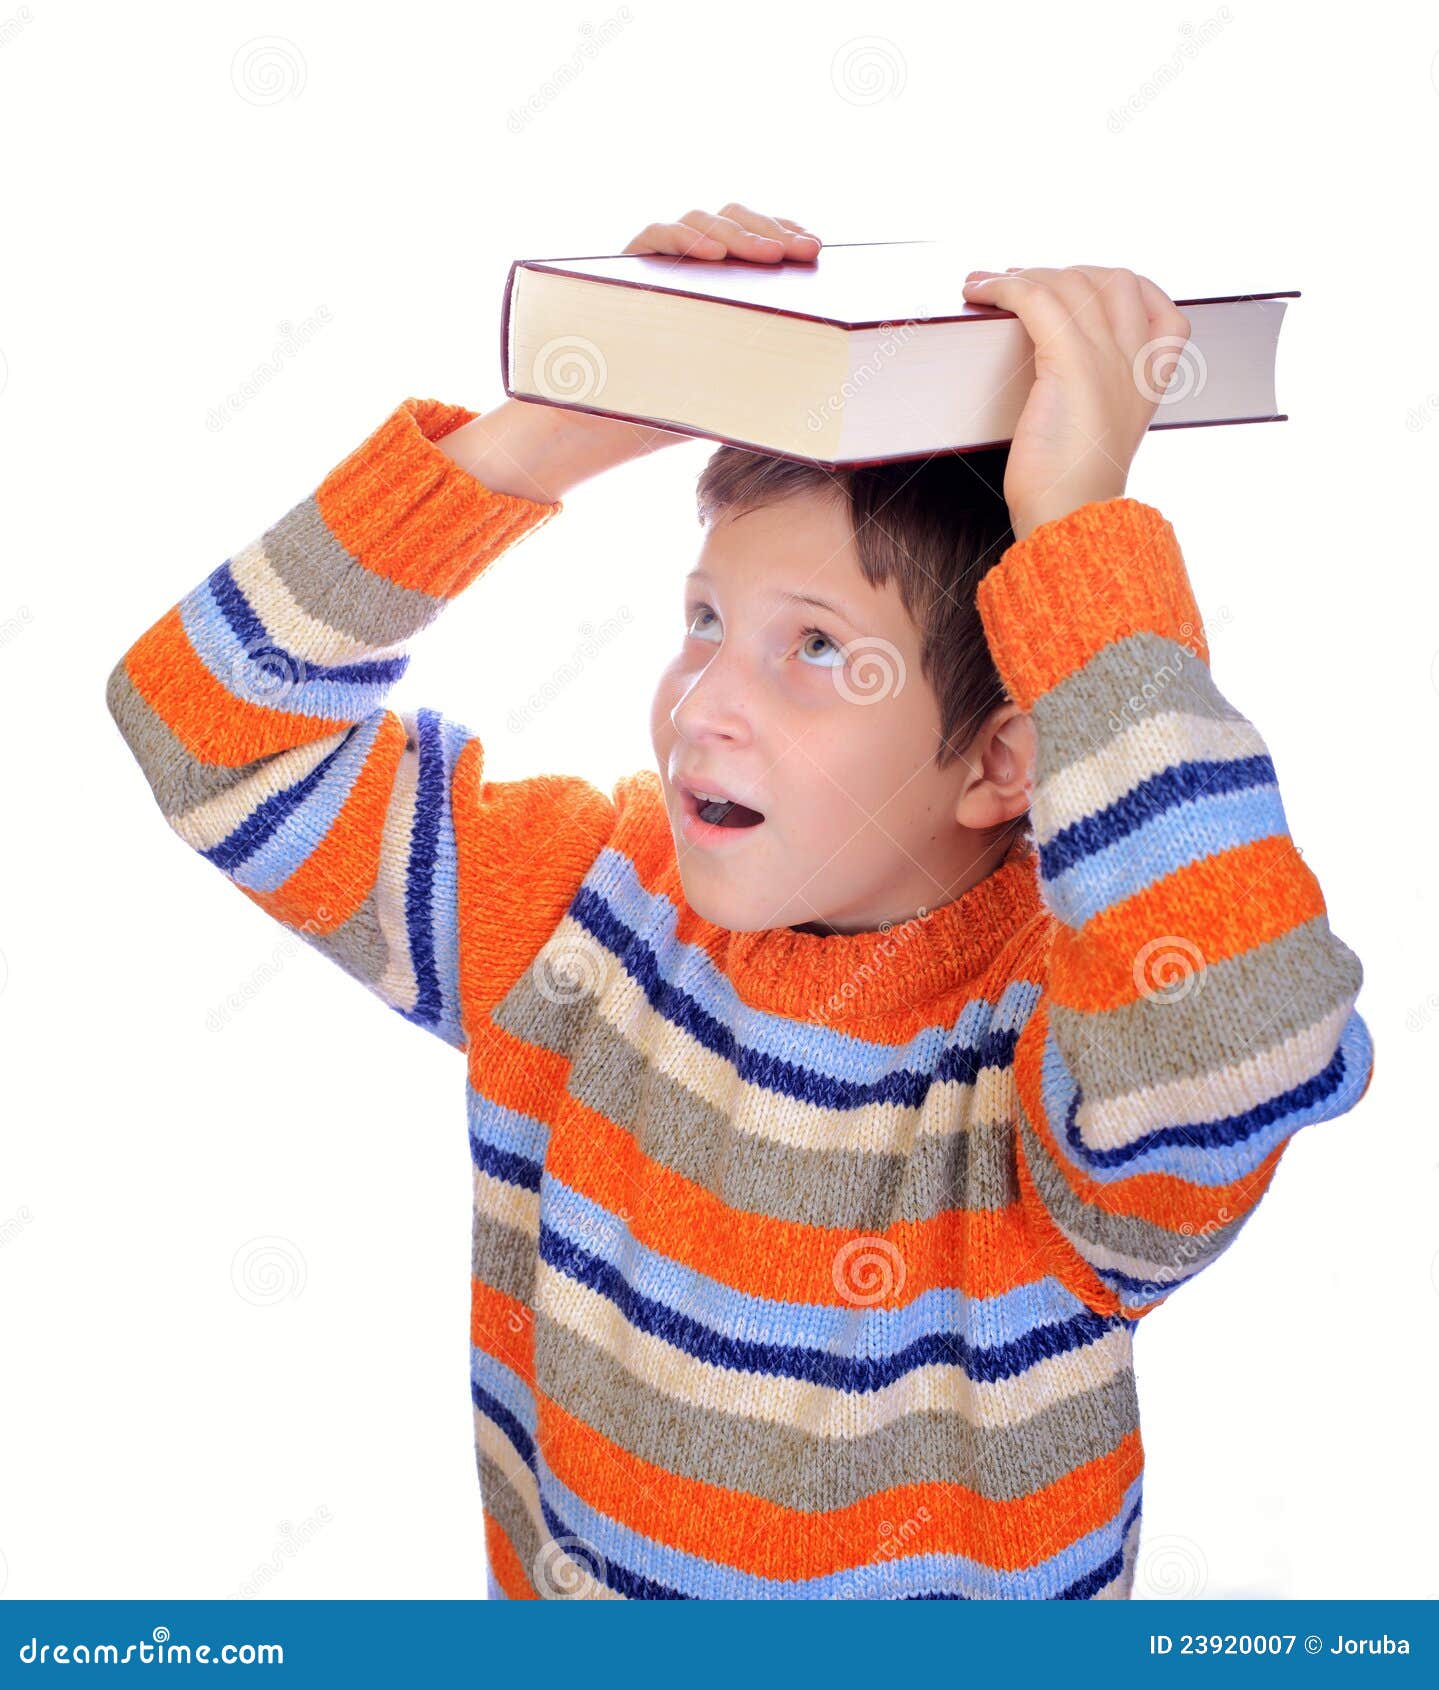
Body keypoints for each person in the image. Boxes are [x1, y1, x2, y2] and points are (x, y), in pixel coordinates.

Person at [106, 202, 1373, 1599]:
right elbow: (205, 728)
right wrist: (556, 430)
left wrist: (1077, 530)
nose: (704, 704)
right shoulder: (589, 911)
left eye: (817, 650)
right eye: (705, 618)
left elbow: (1243, 1029)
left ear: (1010, 753)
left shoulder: (1057, 1050)